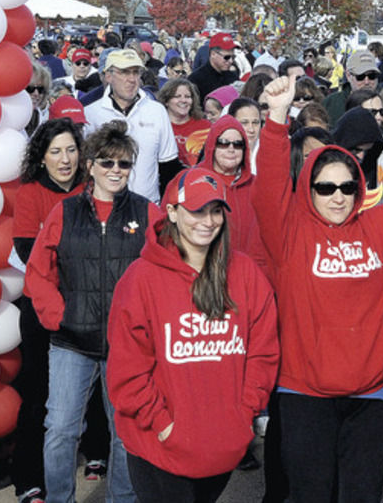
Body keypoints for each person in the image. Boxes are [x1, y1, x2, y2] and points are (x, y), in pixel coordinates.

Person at [252, 74, 383, 503]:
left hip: (370, 393)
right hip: (303, 393)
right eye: (325, 187)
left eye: (347, 186)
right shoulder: (289, 234)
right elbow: (268, 190)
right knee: (312, 495)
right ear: (308, 187)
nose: (338, 196)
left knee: (363, 496)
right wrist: (275, 119)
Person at [107, 166, 279, 503]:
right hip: (160, 446)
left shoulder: (244, 273)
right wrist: (164, 425)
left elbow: (263, 353)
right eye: (196, 210)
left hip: (221, 444)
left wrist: (243, 416)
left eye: (215, 210)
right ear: (171, 211)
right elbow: (127, 372)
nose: (208, 220)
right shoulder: (141, 278)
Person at [25, 121, 163, 503]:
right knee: (61, 429)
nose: (116, 172)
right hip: (72, 340)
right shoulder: (64, 212)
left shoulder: (148, 213)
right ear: (90, 165)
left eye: (124, 165)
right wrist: (60, 317)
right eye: (107, 163)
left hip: (128, 345)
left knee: (125, 432)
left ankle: (123, 499)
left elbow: (165, 273)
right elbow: (38, 272)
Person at [10, 117, 92, 503]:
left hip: (87, 303)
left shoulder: (91, 188)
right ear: (41, 157)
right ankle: (27, 476)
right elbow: (30, 254)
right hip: (42, 308)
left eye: (72, 150)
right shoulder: (29, 193)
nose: (65, 159)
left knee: (90, 388)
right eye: (56, 151)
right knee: (38, 391)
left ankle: (95, 453)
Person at [85, 49, 180, 203]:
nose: (131, 79)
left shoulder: (156, 111)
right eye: (124, 72)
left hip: (147, 207)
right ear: (108, 76)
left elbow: (168, 165)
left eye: (136, 72)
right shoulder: (91, 114)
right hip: (104, 208)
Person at [196, 116, 268, 271]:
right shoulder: (191, 181)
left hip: (246, 274)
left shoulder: (258, 187)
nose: (231, 149)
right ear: (212, 146)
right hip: (203, 272)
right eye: (223, 143)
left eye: (238, 144)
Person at [159, 77, 211, 167]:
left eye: (187, 97)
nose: (183, 100)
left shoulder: (206, 127)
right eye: (177, 96)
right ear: (166, 101)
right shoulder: (158, 126)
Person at [322, 50, 380, 124]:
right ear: (348, 75)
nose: (367, 82)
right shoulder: (331, 104)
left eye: (372, 76)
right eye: (360, 77)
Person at [187, 32, 239, 98]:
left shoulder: (233, 77)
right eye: (226, 57)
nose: (231, 61)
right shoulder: (196, 80)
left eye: (233, 57)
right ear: (213, 54)